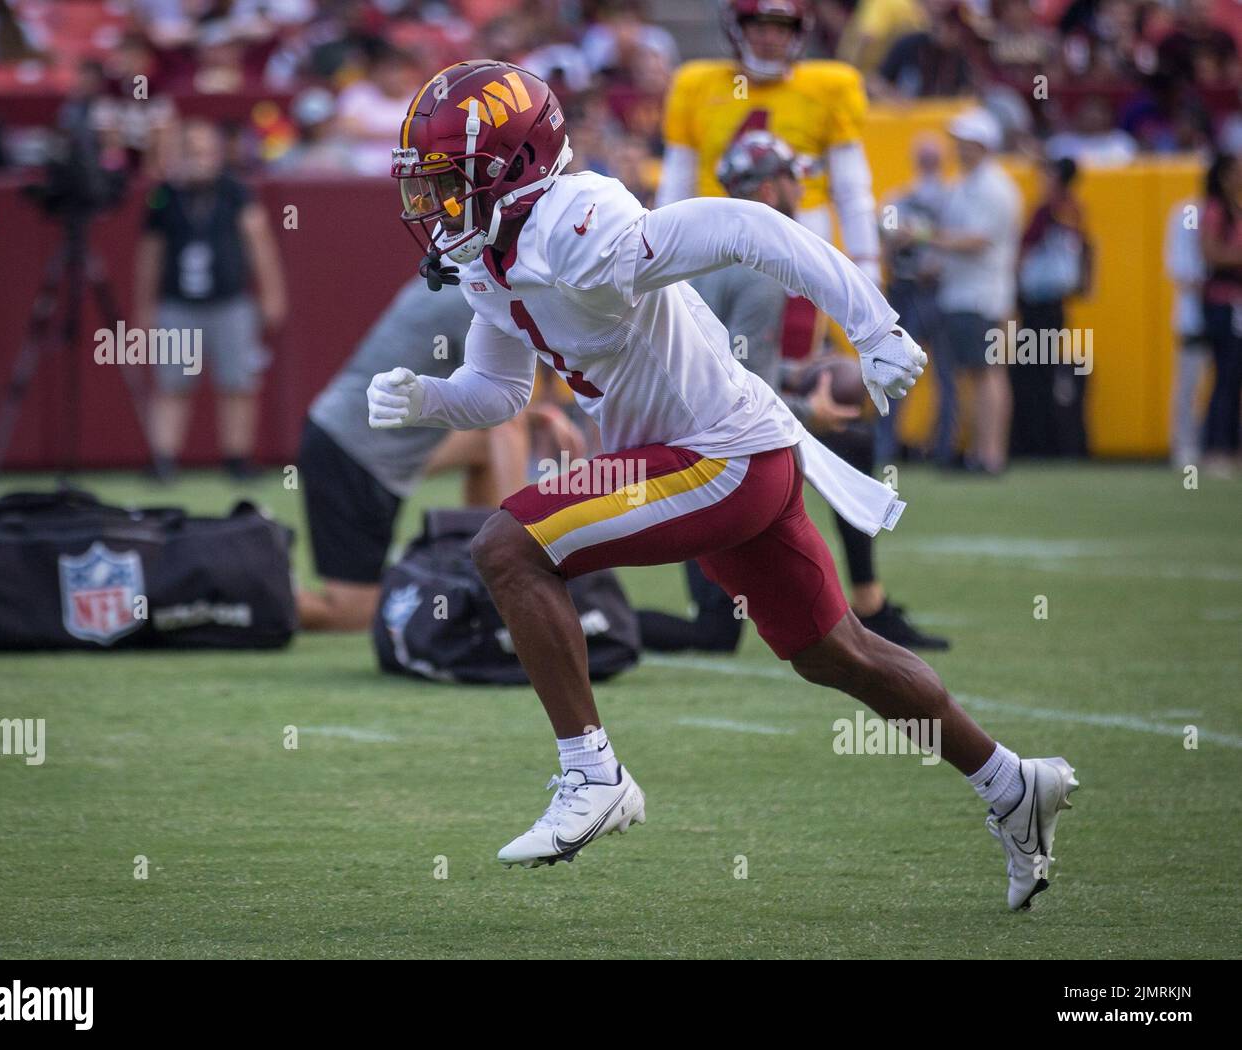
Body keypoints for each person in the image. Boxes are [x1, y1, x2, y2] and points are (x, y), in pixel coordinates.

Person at [372, 60, 1077, 910]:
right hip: (730, 454)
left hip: (719, 456)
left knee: (507, 548)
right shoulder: (488, 252)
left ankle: (593, 776)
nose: (431, 205)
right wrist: (428, 398)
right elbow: (500, 392)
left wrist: (872, 322)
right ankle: (1011, 782)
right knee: (837, 653)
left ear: (513, 167)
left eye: (449, 182)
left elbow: (749, 227)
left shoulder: (579, 225)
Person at [638, 131, 948, 653]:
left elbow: (714, 357)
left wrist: (792, 372)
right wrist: (812, 409)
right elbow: (736, 391)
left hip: (671, 422)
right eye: (789, 178)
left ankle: (868, 604)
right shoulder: (754, 271)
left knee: (847, 444)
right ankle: (595, 617)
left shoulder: (695, 245)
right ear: (767, 189)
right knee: (715, 633)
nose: (800, 190)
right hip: (708, 446)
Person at [299, 275, 586, 630]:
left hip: (375, 441)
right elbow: (505, 420)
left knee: (484, 447)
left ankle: (476, 564)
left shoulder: (458, 277)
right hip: (352, 448)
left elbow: (495, 405)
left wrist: (540, 415)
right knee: (351, 613)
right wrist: (525, 551)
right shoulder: (480, 294)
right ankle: (236, 596)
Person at [658, 0, 882, 359]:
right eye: (759, 27)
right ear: (738, 29)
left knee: (788, 361)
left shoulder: (829, 86)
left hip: (798, 242)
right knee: (705, 360)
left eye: (781, 28)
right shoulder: (696, 84)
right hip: (716, 242)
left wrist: (868, 262)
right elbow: (676, 182)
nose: (770, 38)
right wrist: (664, 258)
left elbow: (852, 190)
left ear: (798, 32)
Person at [135, 118, 288, 481]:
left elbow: (259, 244)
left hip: (230, 301)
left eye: (205, 150)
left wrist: (271, 293)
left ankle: (237, 458)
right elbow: (149, 255)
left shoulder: (235, 192)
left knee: (238, 382)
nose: (198, 158)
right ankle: (164, 458)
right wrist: (144, 306)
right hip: (178, 302)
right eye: (191, 150)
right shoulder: (165, 196)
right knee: (172, 383)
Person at [929, 108, 1021, 474]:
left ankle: (990, 455)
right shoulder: (969, 184)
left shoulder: (993, 187)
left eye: (965, 143)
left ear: (982, 145)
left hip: (983, 295)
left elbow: (977, 240)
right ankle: (982, 452)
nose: (959, 149)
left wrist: (924, 239)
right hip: (966, 293)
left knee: (988, 373)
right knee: (978, 374)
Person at [1013, 156, 1093, 458]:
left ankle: (1034, 442)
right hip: (1056, 303)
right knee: (1044, 370)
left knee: (1032, 372)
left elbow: (1024, 250)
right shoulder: (1075, 211)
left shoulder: (1048, 212)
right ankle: (1047, 441)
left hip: (1037, 304)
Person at [877, 133, 948, 463]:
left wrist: (915, 234)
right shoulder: (899, 197)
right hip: (905, 288)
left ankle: (943, 449)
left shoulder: (950, 198)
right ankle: (885, 448)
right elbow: (889, 233)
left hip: (939, 289)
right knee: (895, 369)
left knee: (945, 374)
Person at [1199, 153, 1242, 476]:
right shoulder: (1216, 211)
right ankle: (1216, 448)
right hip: (1223, 302)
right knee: (1226, 374)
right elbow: (1211, 253)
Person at [1165, 193, 1209, 469]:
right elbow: (1181, 270)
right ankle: (1185, 448)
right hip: (1198, 316)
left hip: (1229, 314)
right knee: (1189, 383)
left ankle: (1223, 445)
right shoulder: (1188, 213)